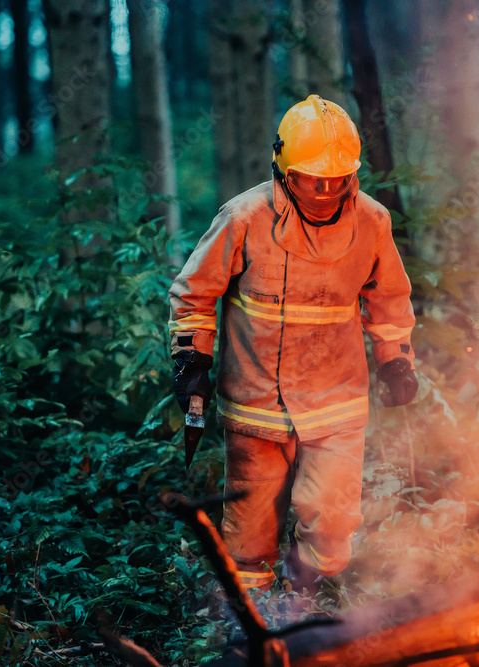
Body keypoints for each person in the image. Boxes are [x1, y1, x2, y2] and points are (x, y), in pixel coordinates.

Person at [168, 95, 418, 595]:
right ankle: (255, 626)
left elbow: (389, 300)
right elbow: (195, 293)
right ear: (284, 170)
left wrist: (395, 363)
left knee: (333, 518)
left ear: (352, 175)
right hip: (256, 399)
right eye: (312, 179)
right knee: (250, 530)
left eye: (335, 180)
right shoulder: (243, 217)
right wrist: (192, 361)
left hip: (337, 400)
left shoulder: (372, 222)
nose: (325, 192)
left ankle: (302, 596)